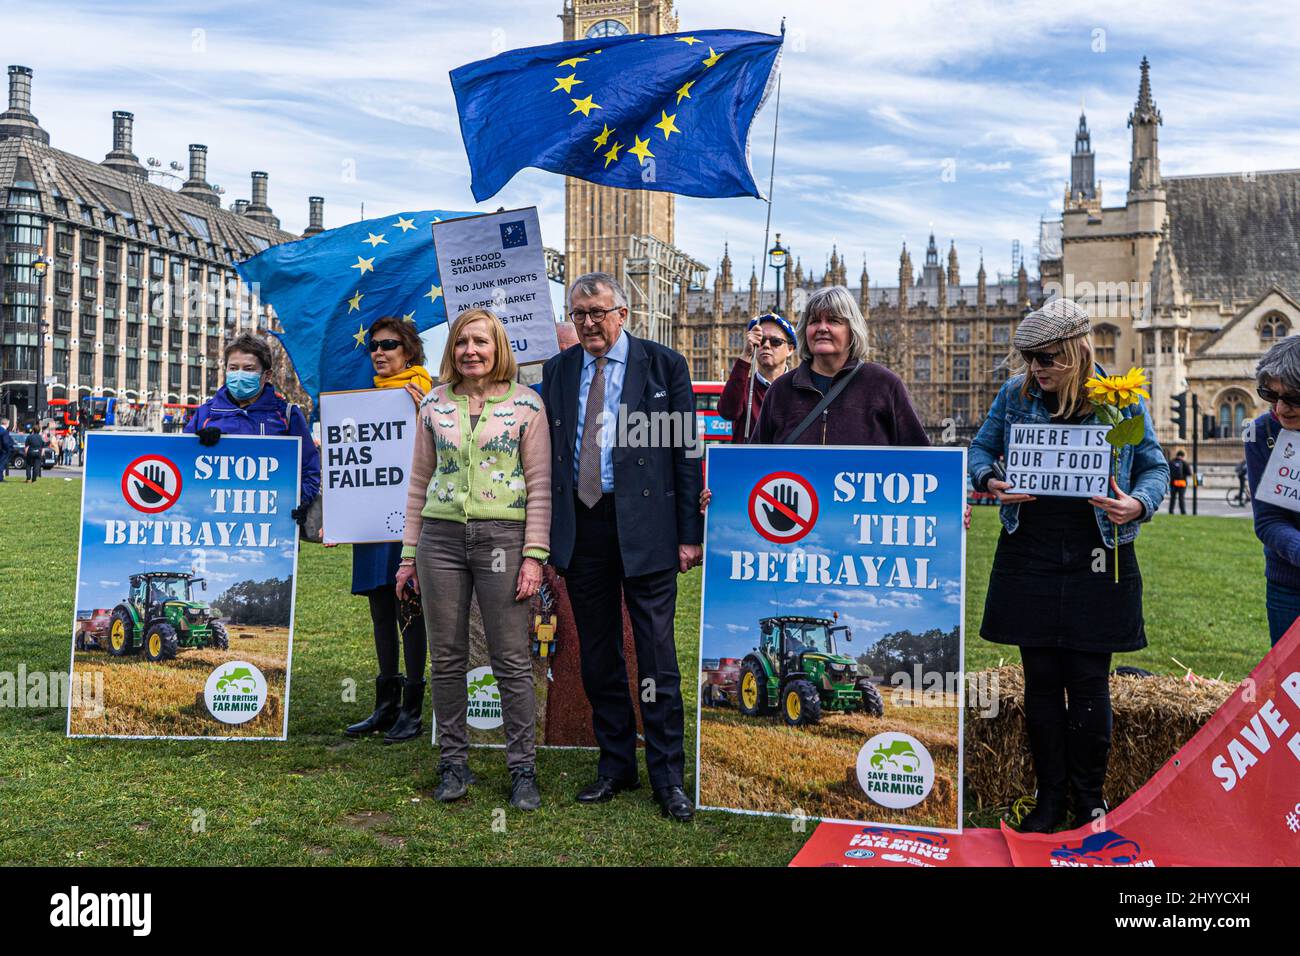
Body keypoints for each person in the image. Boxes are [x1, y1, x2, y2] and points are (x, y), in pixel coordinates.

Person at [969, 298, 1168, 833]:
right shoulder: (1016, 396)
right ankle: (1049, 799)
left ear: (1079, 352)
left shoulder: (1120, 399)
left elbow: (1154, 464)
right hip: (1030, 549)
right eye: (1030, 358)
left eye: (1048, 358)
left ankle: (1090, 800)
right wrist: (990, 481)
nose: (1036, 369)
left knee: (1087, 681)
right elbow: (979, 451)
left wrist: (1138, 504)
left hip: (1098, 552)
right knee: (1039, 679)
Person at [541, 272, 703, 822]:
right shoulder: (558, 371)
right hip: (583, 528)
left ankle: (667, 776)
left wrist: (688, 535)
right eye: (579, 313)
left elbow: (686, 452)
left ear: (622, 314)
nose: (588, 322)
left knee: (657, 654)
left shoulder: (664, 366)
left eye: (598, 312)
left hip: (647, 528)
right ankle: (615, 765)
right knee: (598, 652)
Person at [396, 307, 550, 810]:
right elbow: (418, 483)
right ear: (452, 351)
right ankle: (453, 763)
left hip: (503, 538)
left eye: (480, 342)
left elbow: (541, 487)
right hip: (439, 540)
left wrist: (534, 556)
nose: (471, 351)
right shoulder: (434, 404)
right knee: (447, 658)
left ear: (497, 347)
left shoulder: (527, 404)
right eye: (462, 343)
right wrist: (406, 556)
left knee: (510, 658)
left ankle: (522, 768)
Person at [343, 317, 433, 742]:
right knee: (379, 608)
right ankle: (385, 703)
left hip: (412, 520)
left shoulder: (429, 395)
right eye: (374, 346)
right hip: (371, 519)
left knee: (409, 610)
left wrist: (423, 412)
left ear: (409, 351)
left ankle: (414, 705)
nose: (379, 352)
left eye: (390, 345)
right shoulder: (361, 400)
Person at [752, 286, 930, 446]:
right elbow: (755, 464)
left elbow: (922, 462)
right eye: (814, 321)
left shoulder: (884, 385)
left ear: (852, 331)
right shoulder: (781, 390)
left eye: (833, 321)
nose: (822, 328)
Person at [184, 333, 321, 527]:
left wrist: (298, 501)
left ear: (267, 375)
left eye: (248, 369)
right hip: (213, 524)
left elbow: (309, 469)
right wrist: (197, 448)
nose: (239, 374)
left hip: (272, 526)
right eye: (233, 368)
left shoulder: (288, 415)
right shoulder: (205, 414)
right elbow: (180, 465)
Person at [1244, 335, 1300, 646]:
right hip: (1289, 585)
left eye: (1293, 398)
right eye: (1270, 395)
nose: (1280, 408)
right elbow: (1268, 522)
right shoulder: (1260, 432)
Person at [717, 312, 796, 443]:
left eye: (775, 342)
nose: (766, 345)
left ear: (790, 349)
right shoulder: (743, 388)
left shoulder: (799, 388)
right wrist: (746, 355)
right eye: (761, 341)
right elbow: (727, 412)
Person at [1168, 450, 1191, 514]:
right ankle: (1183, 511)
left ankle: (1171, 511)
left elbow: (1168, 471)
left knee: (1173, 498)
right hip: (1182, 483)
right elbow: (1189, 473)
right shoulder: (1184, 463)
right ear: (1183, 456)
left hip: (1173, 483)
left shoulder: (1171, 462)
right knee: (1181, 498)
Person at [0, 416, 12, 482]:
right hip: (3, 450)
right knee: (1, 464)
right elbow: (5, 442)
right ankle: (0, 478)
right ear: (6, 423)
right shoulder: (4, 431)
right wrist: (8, 449)